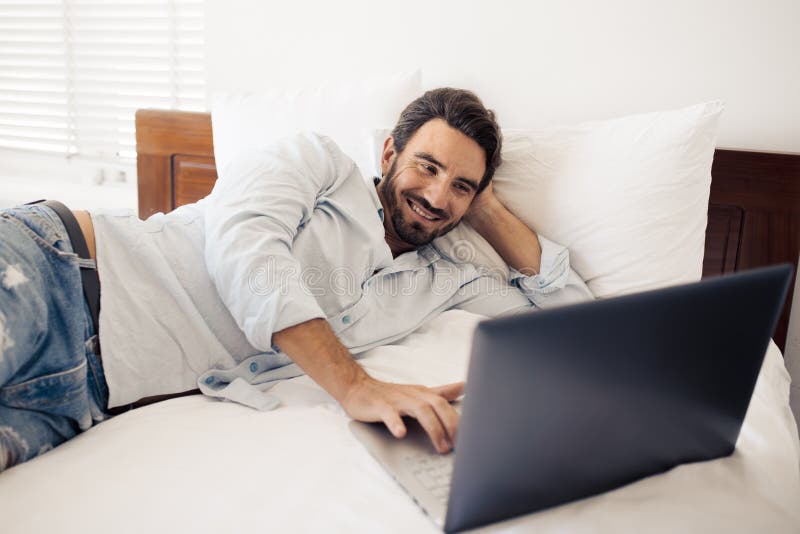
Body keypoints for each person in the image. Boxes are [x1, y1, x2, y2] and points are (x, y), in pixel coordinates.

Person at [0, 88, 593, 472]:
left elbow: (572, 322)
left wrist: (486, 207)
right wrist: (354, 385)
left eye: (460, 185)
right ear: (389, 153)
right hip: (54, 277)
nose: (437, 196)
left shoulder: (447, 281)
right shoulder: (318, 165)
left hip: (87, 399)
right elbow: (246, 246)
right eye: (428, 166)